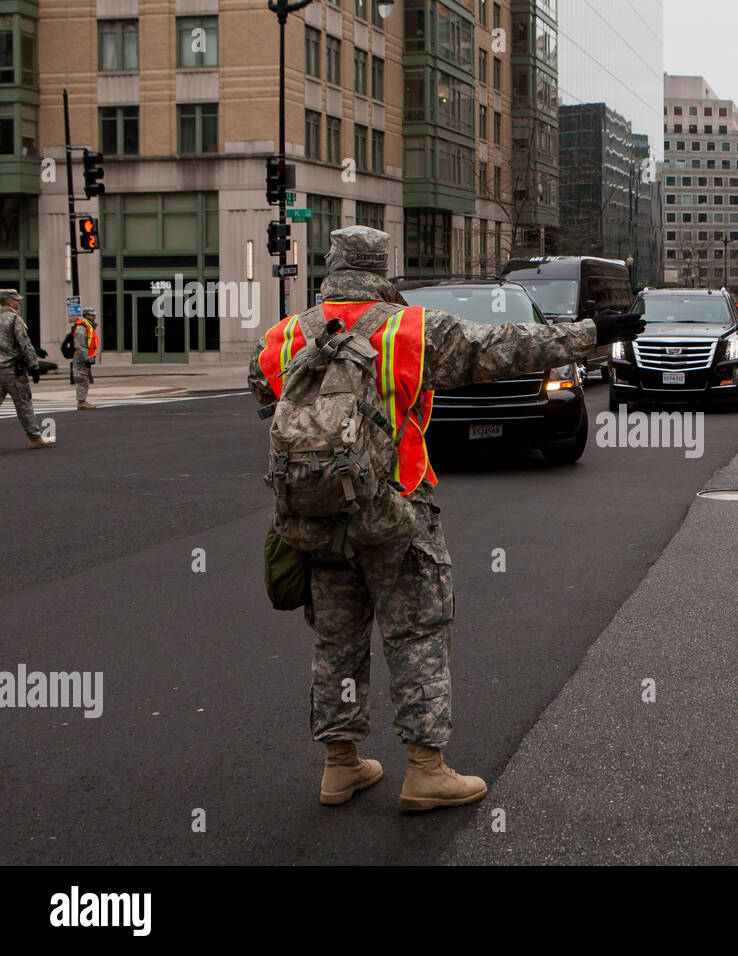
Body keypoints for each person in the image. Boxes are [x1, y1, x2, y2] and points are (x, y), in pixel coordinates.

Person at [248, 226, 644, 811]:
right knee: (417, 634)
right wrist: (590, 332)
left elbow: (263, 394)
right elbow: (504, 348)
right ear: (382, 268)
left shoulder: (285, 335)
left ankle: (340, 765)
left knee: (336, 640)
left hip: (318, 516)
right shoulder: (408, 327)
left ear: (330, 268)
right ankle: (424, 771)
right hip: (395, 510)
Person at [0, 289, 54, 449]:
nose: (19, 302)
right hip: (12, 370)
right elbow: (24, 343)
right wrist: (34, 366)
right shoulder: (14, 319)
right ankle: (35, 437)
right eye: (16, 300)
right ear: (9, 301)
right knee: (24, 403)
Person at [71, 308, 99, 410]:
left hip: (85, 358)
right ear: (86, 315)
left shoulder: (88, 327)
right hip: (81, 359)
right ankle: (81, 402)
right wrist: (87, 358)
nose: (94, 317)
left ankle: (82, 401)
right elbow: (79, 345)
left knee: (85, 379)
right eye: (92, 315)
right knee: (82, 379)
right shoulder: (82, 327)